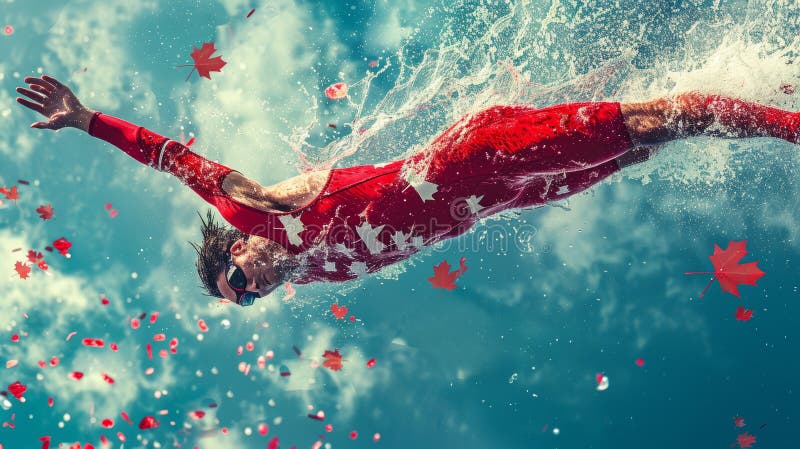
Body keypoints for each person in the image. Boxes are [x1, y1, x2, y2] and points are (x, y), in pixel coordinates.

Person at [15, 74, 799, 306]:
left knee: (648, 123)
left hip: (474, 156)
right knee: (636, 151)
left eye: (237, 277)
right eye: (244, 298)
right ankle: (758, 85)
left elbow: (171, 159)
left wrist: (88, 121)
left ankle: (789, 121)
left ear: (238, 247)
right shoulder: (317, 272)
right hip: (504, 193)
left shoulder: (263, 214)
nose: (250, 285)